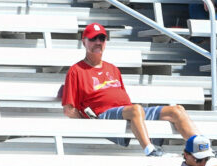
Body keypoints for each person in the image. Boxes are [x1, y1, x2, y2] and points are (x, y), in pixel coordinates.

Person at [61, 23, 198, 157]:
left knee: (177, 110)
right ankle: (150, 150)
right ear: (84, 42)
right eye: (93, 38)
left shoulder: (112, 68)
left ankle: (200, 148)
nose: (98, 42)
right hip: (104, 116)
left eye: (101, 38)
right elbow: (68, 109)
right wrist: (89, 123)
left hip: (127, 112)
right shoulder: (76, 70)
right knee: (135, 109)